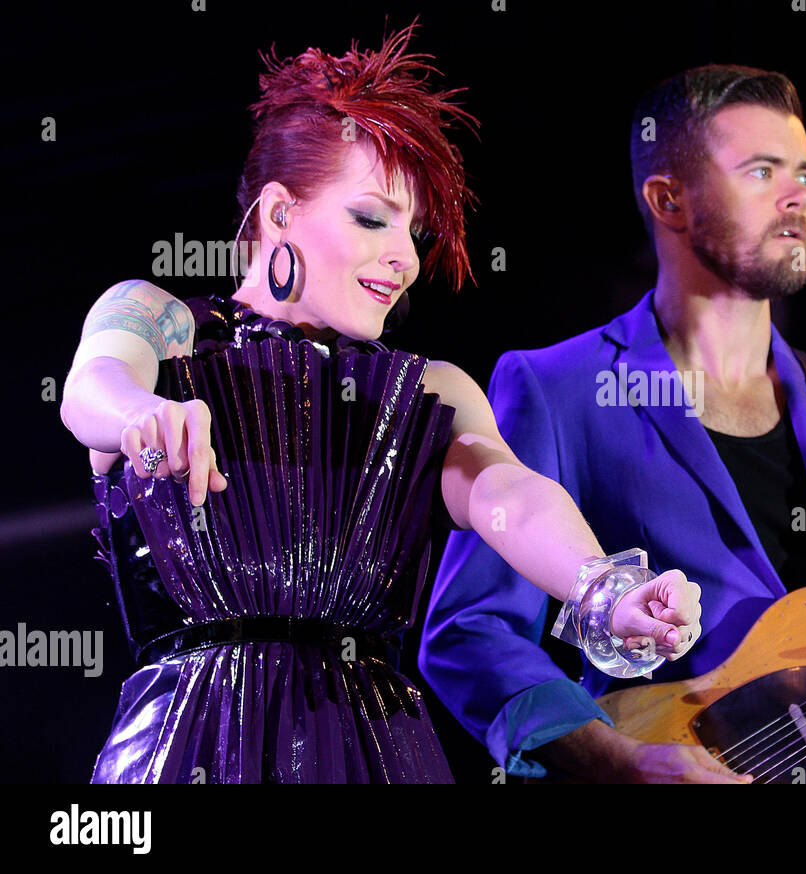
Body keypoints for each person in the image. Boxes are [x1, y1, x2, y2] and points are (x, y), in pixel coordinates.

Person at [59, 22, 702, 784]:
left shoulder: (430, 388)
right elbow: (90, 388)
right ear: (277, 214)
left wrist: (605, 589)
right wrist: (142, 415)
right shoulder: (163, 327)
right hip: (184, 747)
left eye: (415, 232)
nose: (404, 257)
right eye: (372, 218)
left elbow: (508, 494)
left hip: (374, 749)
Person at [418, 64, 806, 783]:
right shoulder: (557, 387)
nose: (796, 197)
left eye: (805, 176)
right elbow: (469, 632)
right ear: (668, 198)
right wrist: (617, 762)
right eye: (760, 171)